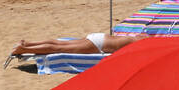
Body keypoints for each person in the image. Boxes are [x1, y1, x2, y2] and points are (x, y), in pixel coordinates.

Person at [8, 32, 138, 59]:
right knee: (58, 48)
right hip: (99, 45)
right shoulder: (144, 43)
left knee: (60, 43)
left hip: (98, 36)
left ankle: (29, 43)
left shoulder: (143, 37)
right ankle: (24, 49)